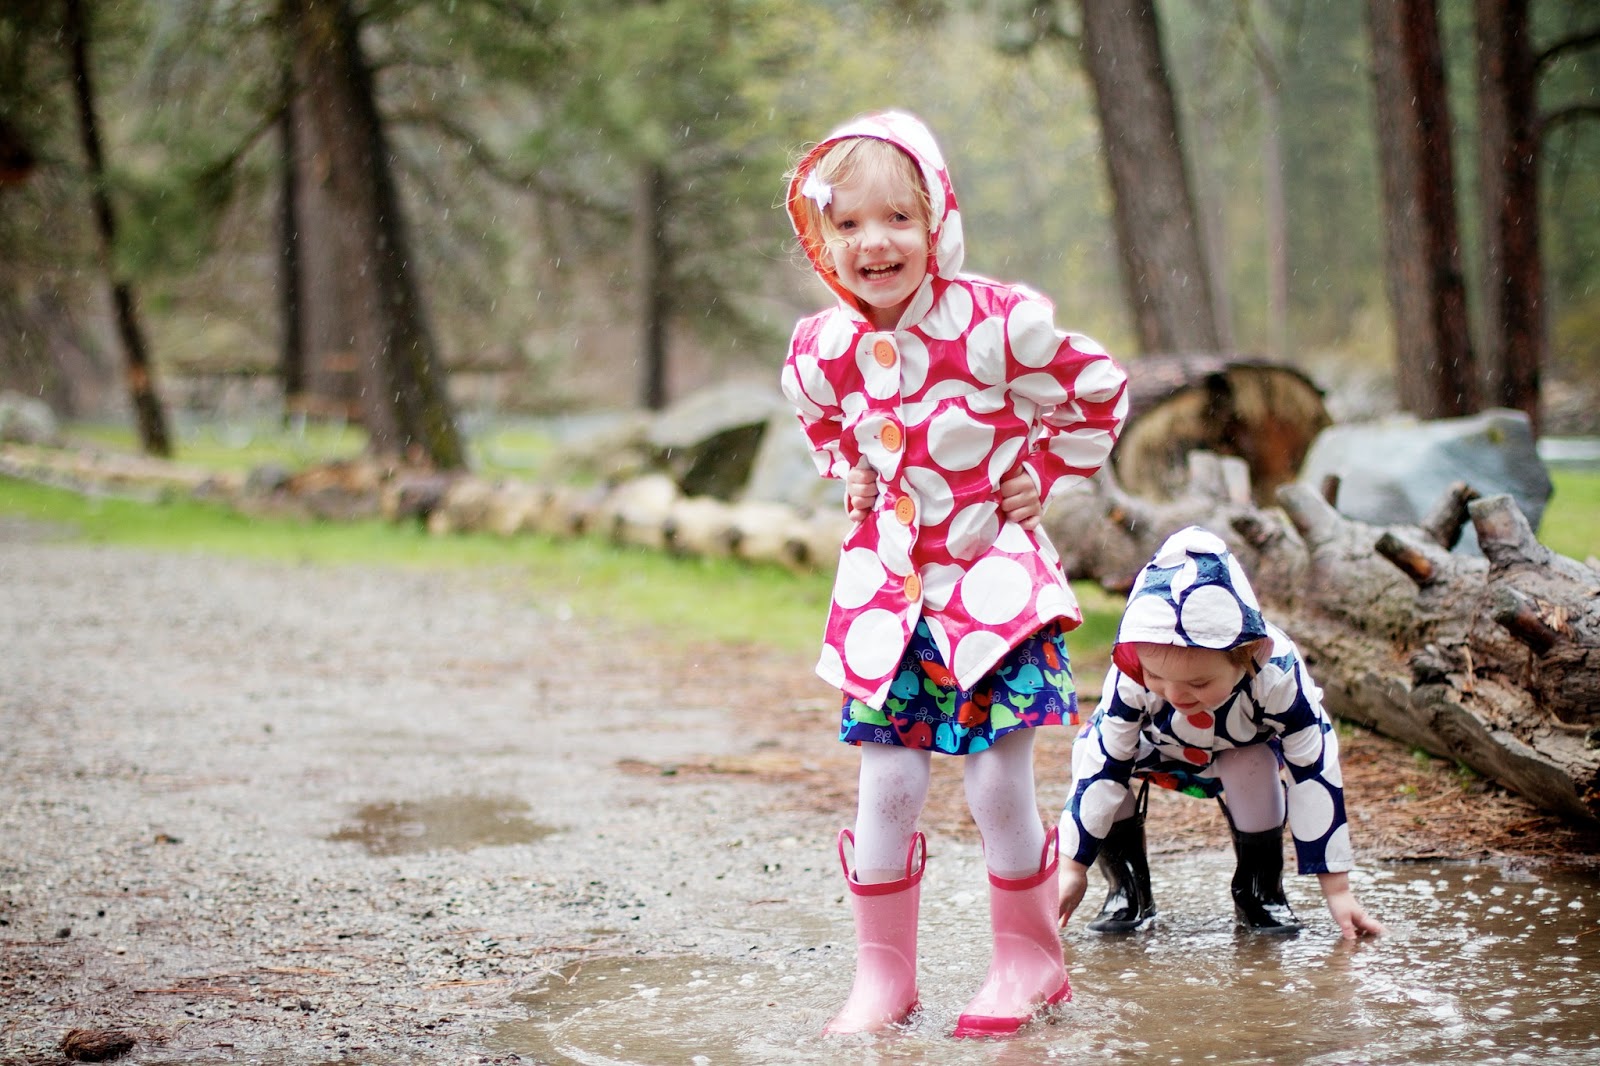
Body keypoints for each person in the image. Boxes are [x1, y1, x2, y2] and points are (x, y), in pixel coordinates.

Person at [780, 110, 1128, 1038]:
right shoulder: (824, 346)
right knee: (886, 786)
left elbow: (1099, 392)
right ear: (821, 238)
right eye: (847, 225)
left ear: (938, 220)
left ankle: (1028, 962)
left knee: (991, 783)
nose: (874, 242)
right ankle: (883, 977)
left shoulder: (994, 324)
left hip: (988, 589)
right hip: (888, 601)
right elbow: (819, 418)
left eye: (898, 218)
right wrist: (846, 467)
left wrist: (1040, 475)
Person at [1056, 525, 1386, 940]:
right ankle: (1127, 890)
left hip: (1238, 754)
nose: (1175, 694)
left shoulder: (1277, 674)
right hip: (1155, 750)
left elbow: (1313, 768)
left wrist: (1337, 890)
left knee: (1252, 759)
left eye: (1198, 684)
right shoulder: (1132, 677)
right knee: (1094, 748)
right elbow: (1103, 762)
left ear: (1246, 656)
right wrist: (1073, 865)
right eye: (1156, 676)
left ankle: (1259, 890)